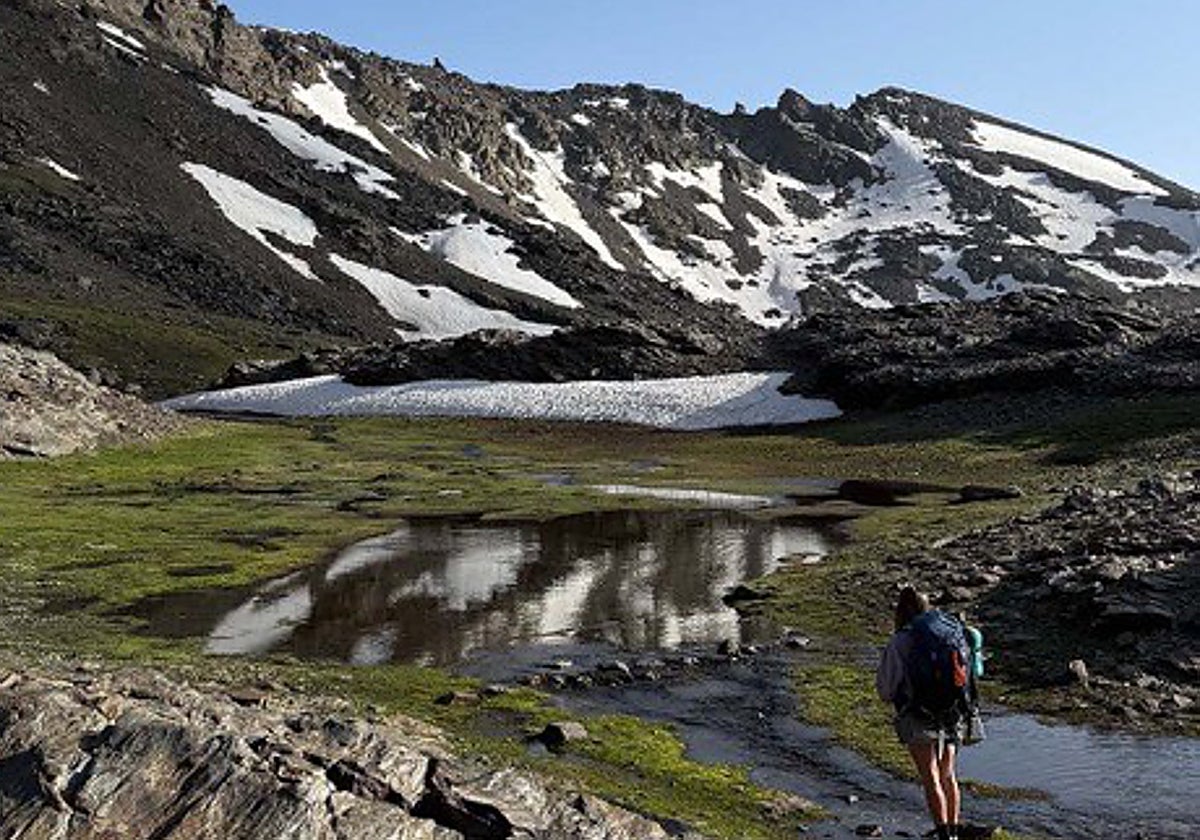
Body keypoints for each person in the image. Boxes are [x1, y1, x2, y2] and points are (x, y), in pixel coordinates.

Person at [876, 586, 977, 840]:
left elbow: (886, 690)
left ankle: (944, 834)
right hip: (952, 711)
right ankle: (954, 832)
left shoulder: (900, 641)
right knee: (948, 775)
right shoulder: (950, 632)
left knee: (931, 777)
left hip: (917, 713)